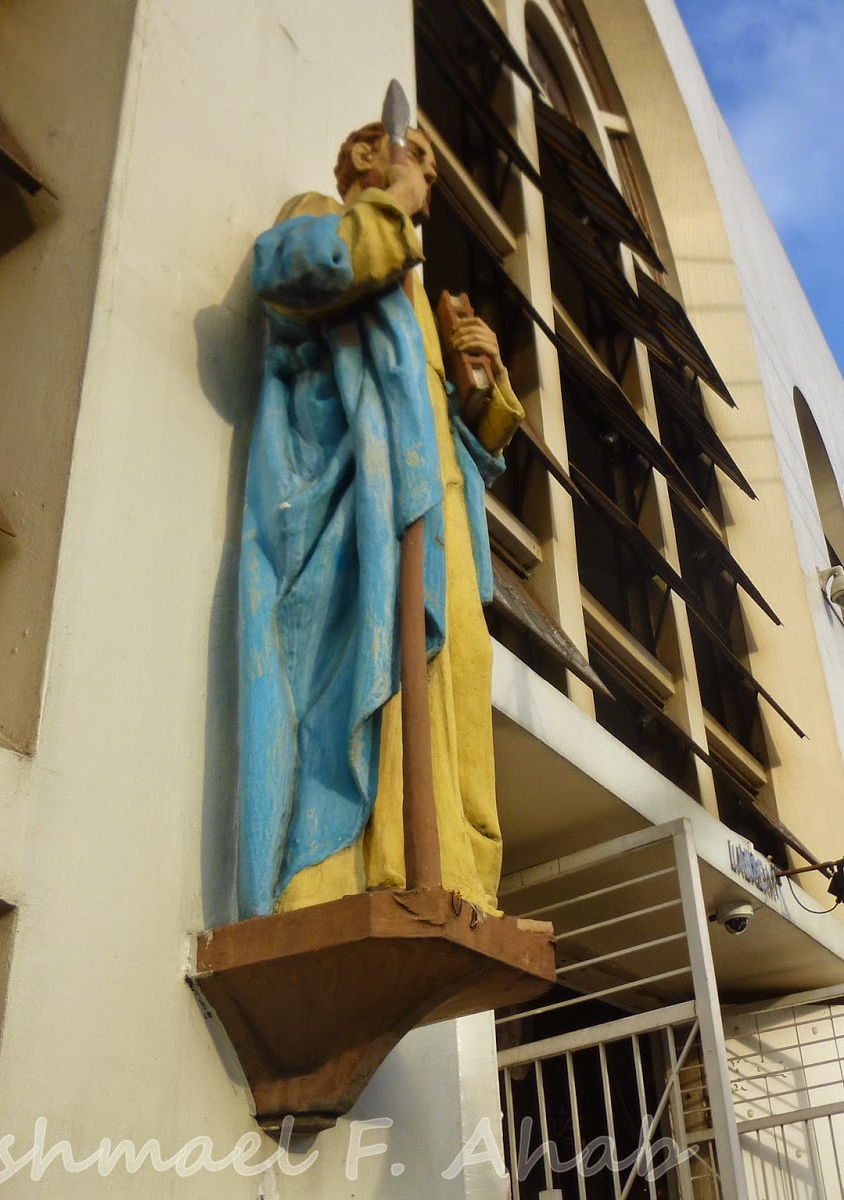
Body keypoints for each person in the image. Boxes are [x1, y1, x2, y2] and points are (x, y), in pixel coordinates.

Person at [236, 118, 525, 920]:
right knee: (367, 686)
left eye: (427, 166)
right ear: (367, 155)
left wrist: (476, 387)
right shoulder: (323, 217)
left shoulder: (411, 289)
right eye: (418, 157)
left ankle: (450, 875)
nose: (427, 177)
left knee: (451, 690)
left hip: (440, 525)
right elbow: (289, 270)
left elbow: (449, 441)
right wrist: (391, 206)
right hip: (361, 522)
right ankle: (343, 877)